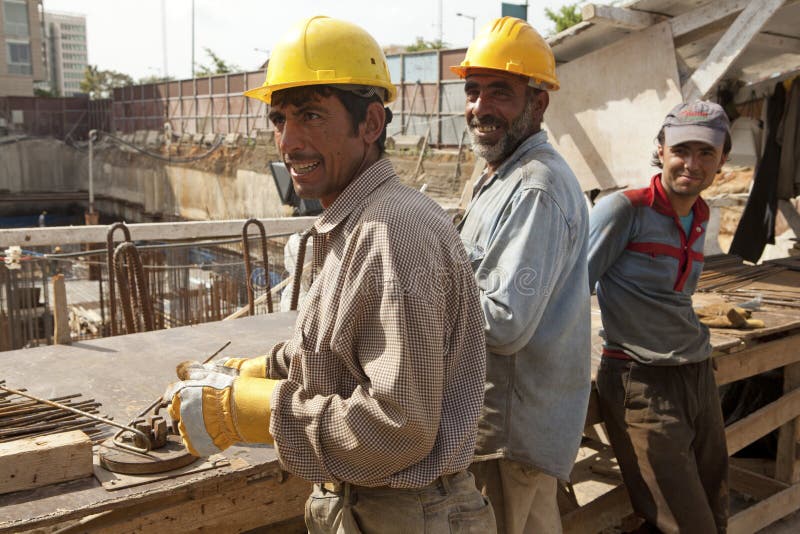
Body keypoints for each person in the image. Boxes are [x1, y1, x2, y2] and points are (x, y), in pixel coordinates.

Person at [162, 16, 494, 533]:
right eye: (279, 120)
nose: (289, 141)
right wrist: (263, 369)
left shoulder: (392, 232)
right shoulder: (357, 221)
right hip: (376, 505)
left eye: (312, 116)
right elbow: (345, 349)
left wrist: (253, 413)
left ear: (371, 123)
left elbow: (398, 428)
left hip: (407, 512)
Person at [451, 16, 591, 534]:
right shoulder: (500, 174)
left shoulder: (535, 187)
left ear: (538, 103)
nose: (481, 108)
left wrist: (418, 293)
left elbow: (504, 323)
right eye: (473, 91)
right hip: (509, 425)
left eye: (500, 94)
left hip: (510, 427)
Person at [588, 101, 731, 534]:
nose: (692, 163)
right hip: (643, 380)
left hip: (697, 374)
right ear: (661, 149)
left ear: (722, 159)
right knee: (686, 523)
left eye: (706, 153)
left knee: (713, 507)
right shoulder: (624, 210)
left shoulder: (702, 215)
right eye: (681, 150)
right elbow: (568, 291)